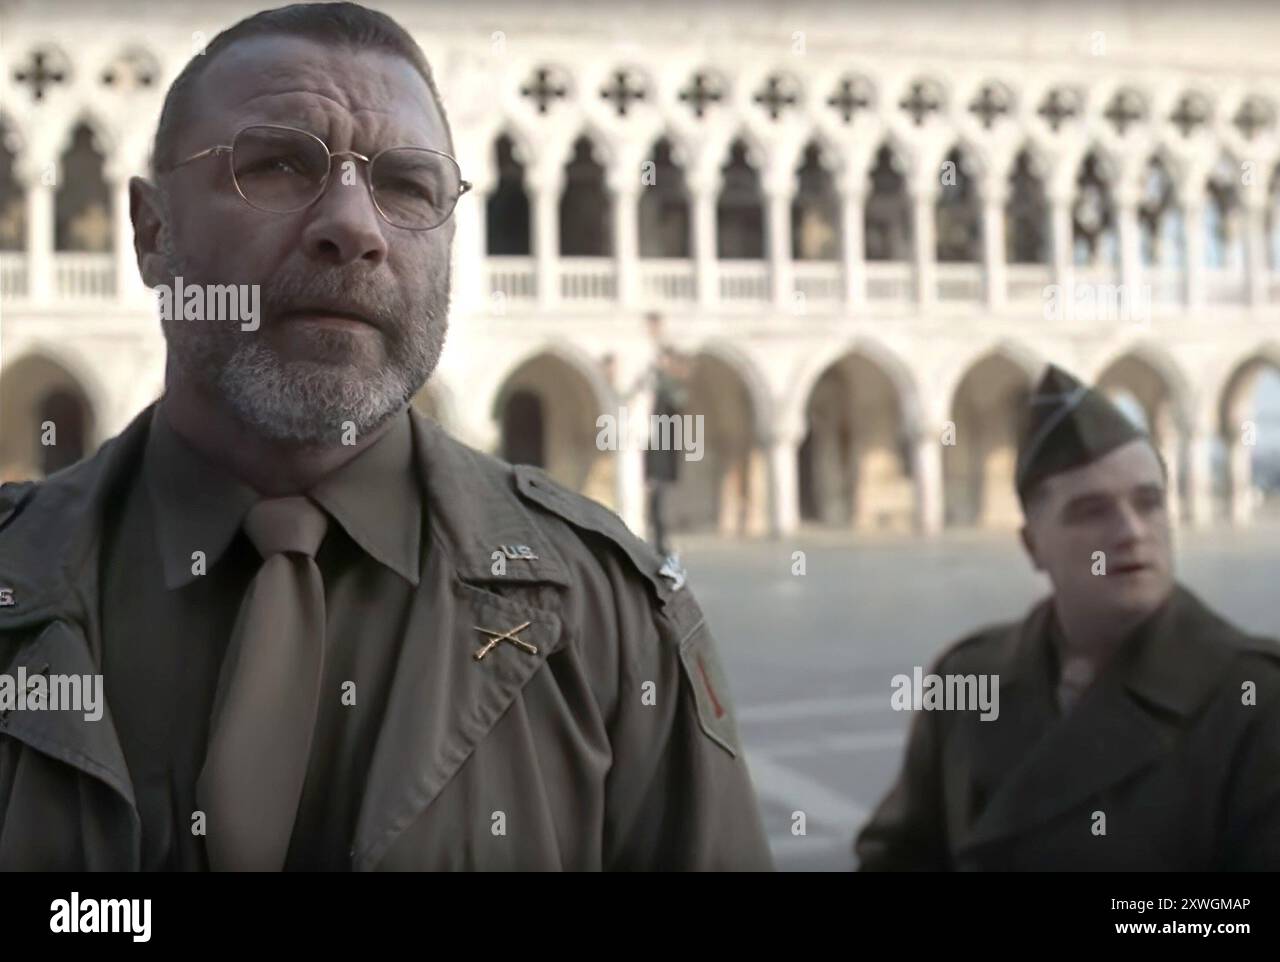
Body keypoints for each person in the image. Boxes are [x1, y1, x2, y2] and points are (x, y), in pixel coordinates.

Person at [0, 2, 770, 872]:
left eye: (408, 186)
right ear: (149, 231)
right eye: (280, 166)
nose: (356, 228)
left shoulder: (613, 626)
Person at [855, 364, 1280, 870]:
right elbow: (896, 856)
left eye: (1148, 503)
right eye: (1092, 511)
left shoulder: (1259, 698)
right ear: (1033, 546)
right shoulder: (966, 678)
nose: (1131, 531)